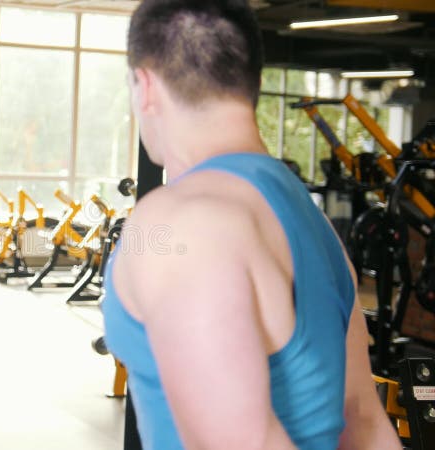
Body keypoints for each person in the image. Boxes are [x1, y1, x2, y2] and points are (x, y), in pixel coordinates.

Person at [101, 1, 400, 449]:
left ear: (143, 86)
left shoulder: (178, 222)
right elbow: (364, 423)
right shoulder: (314, 225)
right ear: (252, 82)